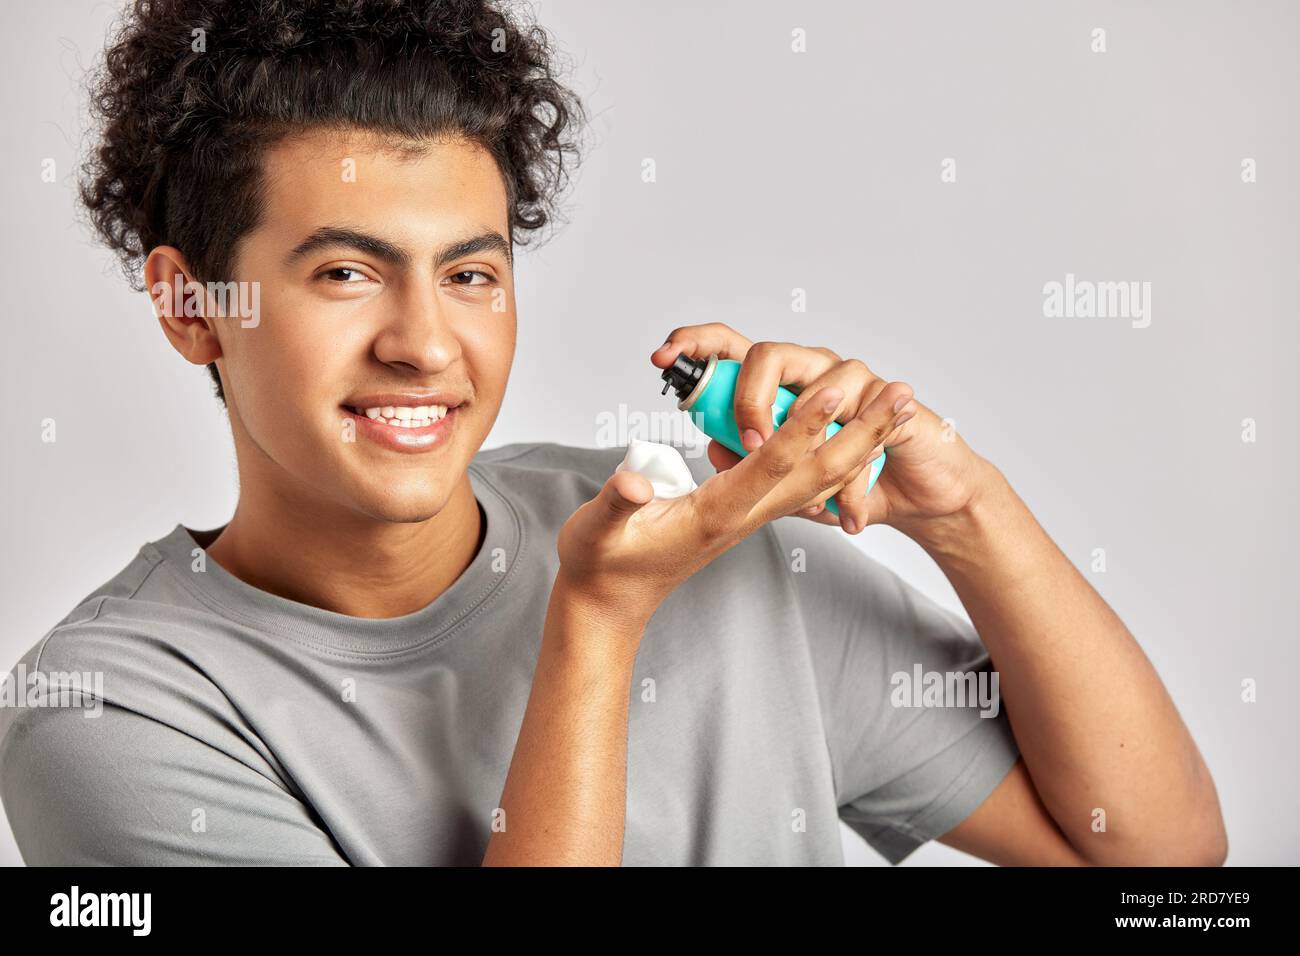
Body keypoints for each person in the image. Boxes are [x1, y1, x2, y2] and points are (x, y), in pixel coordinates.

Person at [0, 0, 1225, 866]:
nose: (425, 342)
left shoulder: (705, 539)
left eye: (471, 276)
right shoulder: (109, 712)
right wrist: (596, 623)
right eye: (344, 273)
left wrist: (966, 511)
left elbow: (1164, 862)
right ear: (190, 306)